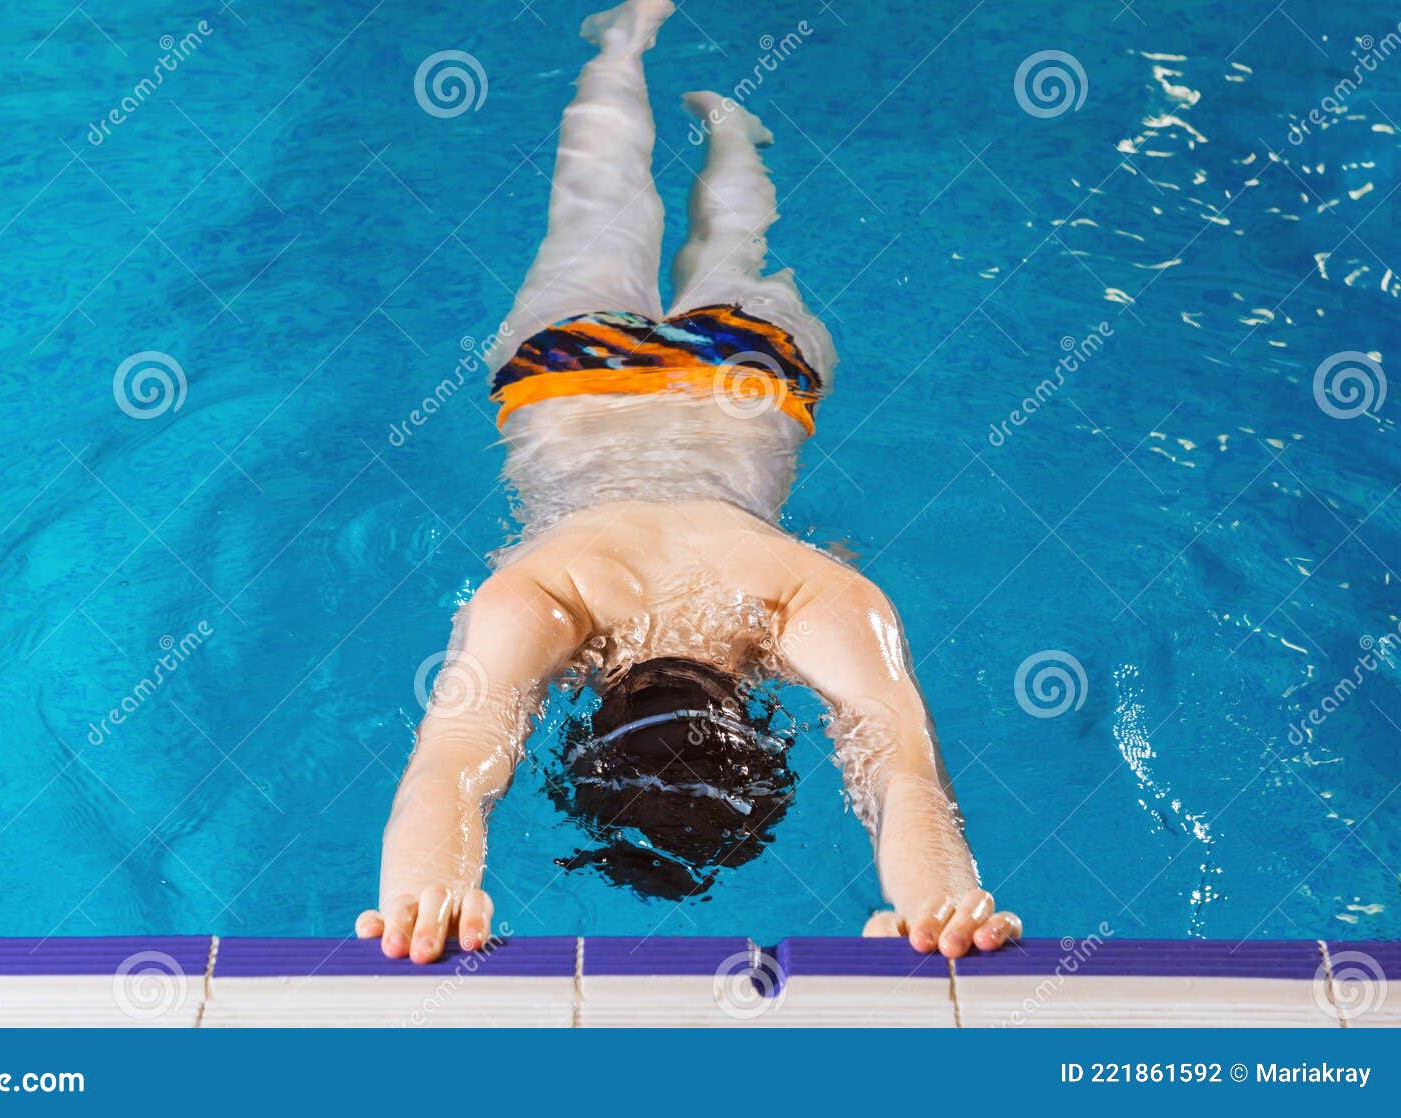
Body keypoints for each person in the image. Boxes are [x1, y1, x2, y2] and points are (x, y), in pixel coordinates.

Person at [356, 0, 1020, 964]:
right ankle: (643, 63)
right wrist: (429, 892)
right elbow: (454, 766)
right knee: (596, 209)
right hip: (571, 378)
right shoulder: (546, 595)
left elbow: (900, 762)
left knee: (731, 245)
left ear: (756, 723)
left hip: (745, 381)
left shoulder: (804, 594)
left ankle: (706, 113)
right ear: (586, 721)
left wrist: (943, 901)